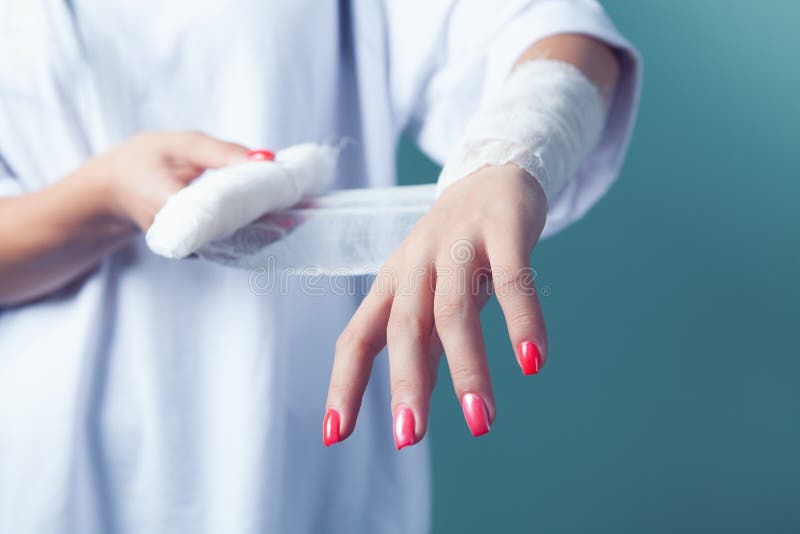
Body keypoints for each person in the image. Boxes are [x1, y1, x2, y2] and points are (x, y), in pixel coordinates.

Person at [0, 1, 640, 532]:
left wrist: (510, 155)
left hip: (293, 460)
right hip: (44, 470)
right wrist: (104, 195)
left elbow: (553, 33)